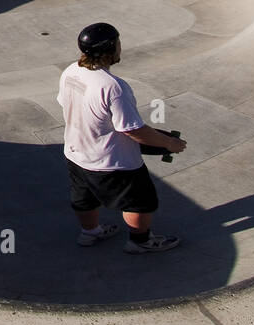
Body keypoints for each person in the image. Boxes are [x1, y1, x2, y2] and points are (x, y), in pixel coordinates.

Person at [60, 22, 187, 254]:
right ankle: (140, 241)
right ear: (110, 49)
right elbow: (132, 130)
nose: (121, 46)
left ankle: (90, 233)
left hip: (76, 153)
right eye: (118, 42)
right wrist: (169, 143)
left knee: (83, 197)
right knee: (140, 201)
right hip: (111, 162)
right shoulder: (113, 87)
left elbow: (67, 103)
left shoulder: (70, 71)